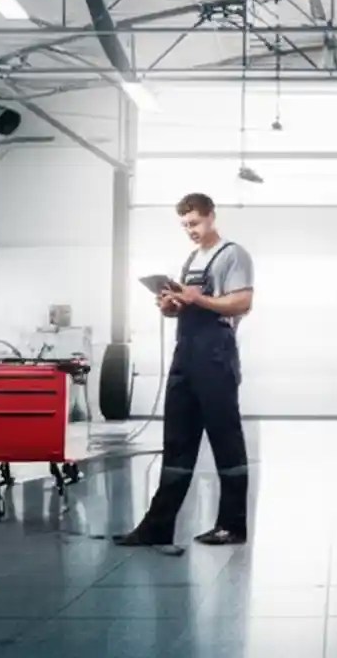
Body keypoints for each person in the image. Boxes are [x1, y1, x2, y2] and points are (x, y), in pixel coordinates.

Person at [115, 192, 254, 547]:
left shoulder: (232, 254)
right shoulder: (192, 259)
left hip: (215, 354)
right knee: (176, 440)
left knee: (225, 438)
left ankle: (232, 525)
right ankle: (158, 526)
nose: (190, 230)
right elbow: (191, 305)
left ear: (211, 216)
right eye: (185, 225)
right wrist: (172, 306)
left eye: (195, 223)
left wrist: (196, 298)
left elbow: (242, 302)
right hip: (186, 354)